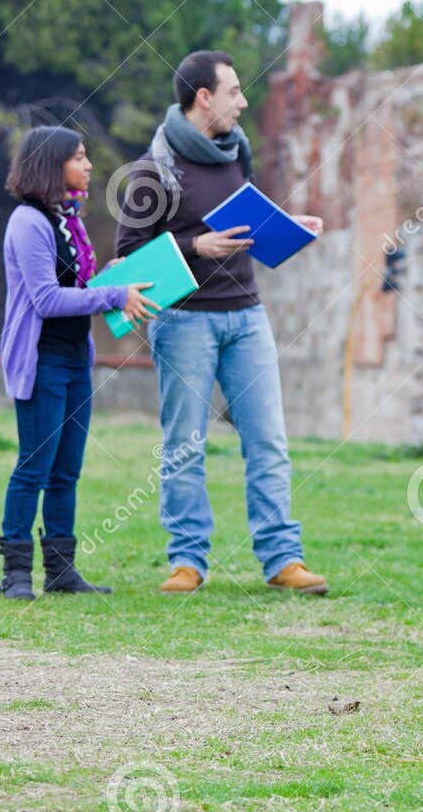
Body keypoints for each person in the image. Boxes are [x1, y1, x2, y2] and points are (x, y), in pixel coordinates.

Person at [115, 50, 326, 595]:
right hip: (184, 322)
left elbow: (246, 215)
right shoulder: (151, 170)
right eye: (234, 91)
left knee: (268, 441)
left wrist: (285, 223)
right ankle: (188, 561)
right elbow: (128, 262)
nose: (244, 101)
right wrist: (194, 246)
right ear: (202, 97)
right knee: (184, 443)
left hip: (247, 315)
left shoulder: (237, 151)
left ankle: (283, 560)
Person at [0, 126, 158, 599]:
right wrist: (111, 292)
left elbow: (80, 289)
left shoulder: (69, 220)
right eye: (79, 157)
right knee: (35, 465)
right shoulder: (28, 222)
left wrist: (114, 278)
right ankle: (16, 574)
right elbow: (46, 299)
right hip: (41, 358)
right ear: (52, 164)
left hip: (74, 359)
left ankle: (61, 573)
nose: (89, 166)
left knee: (67, 470)